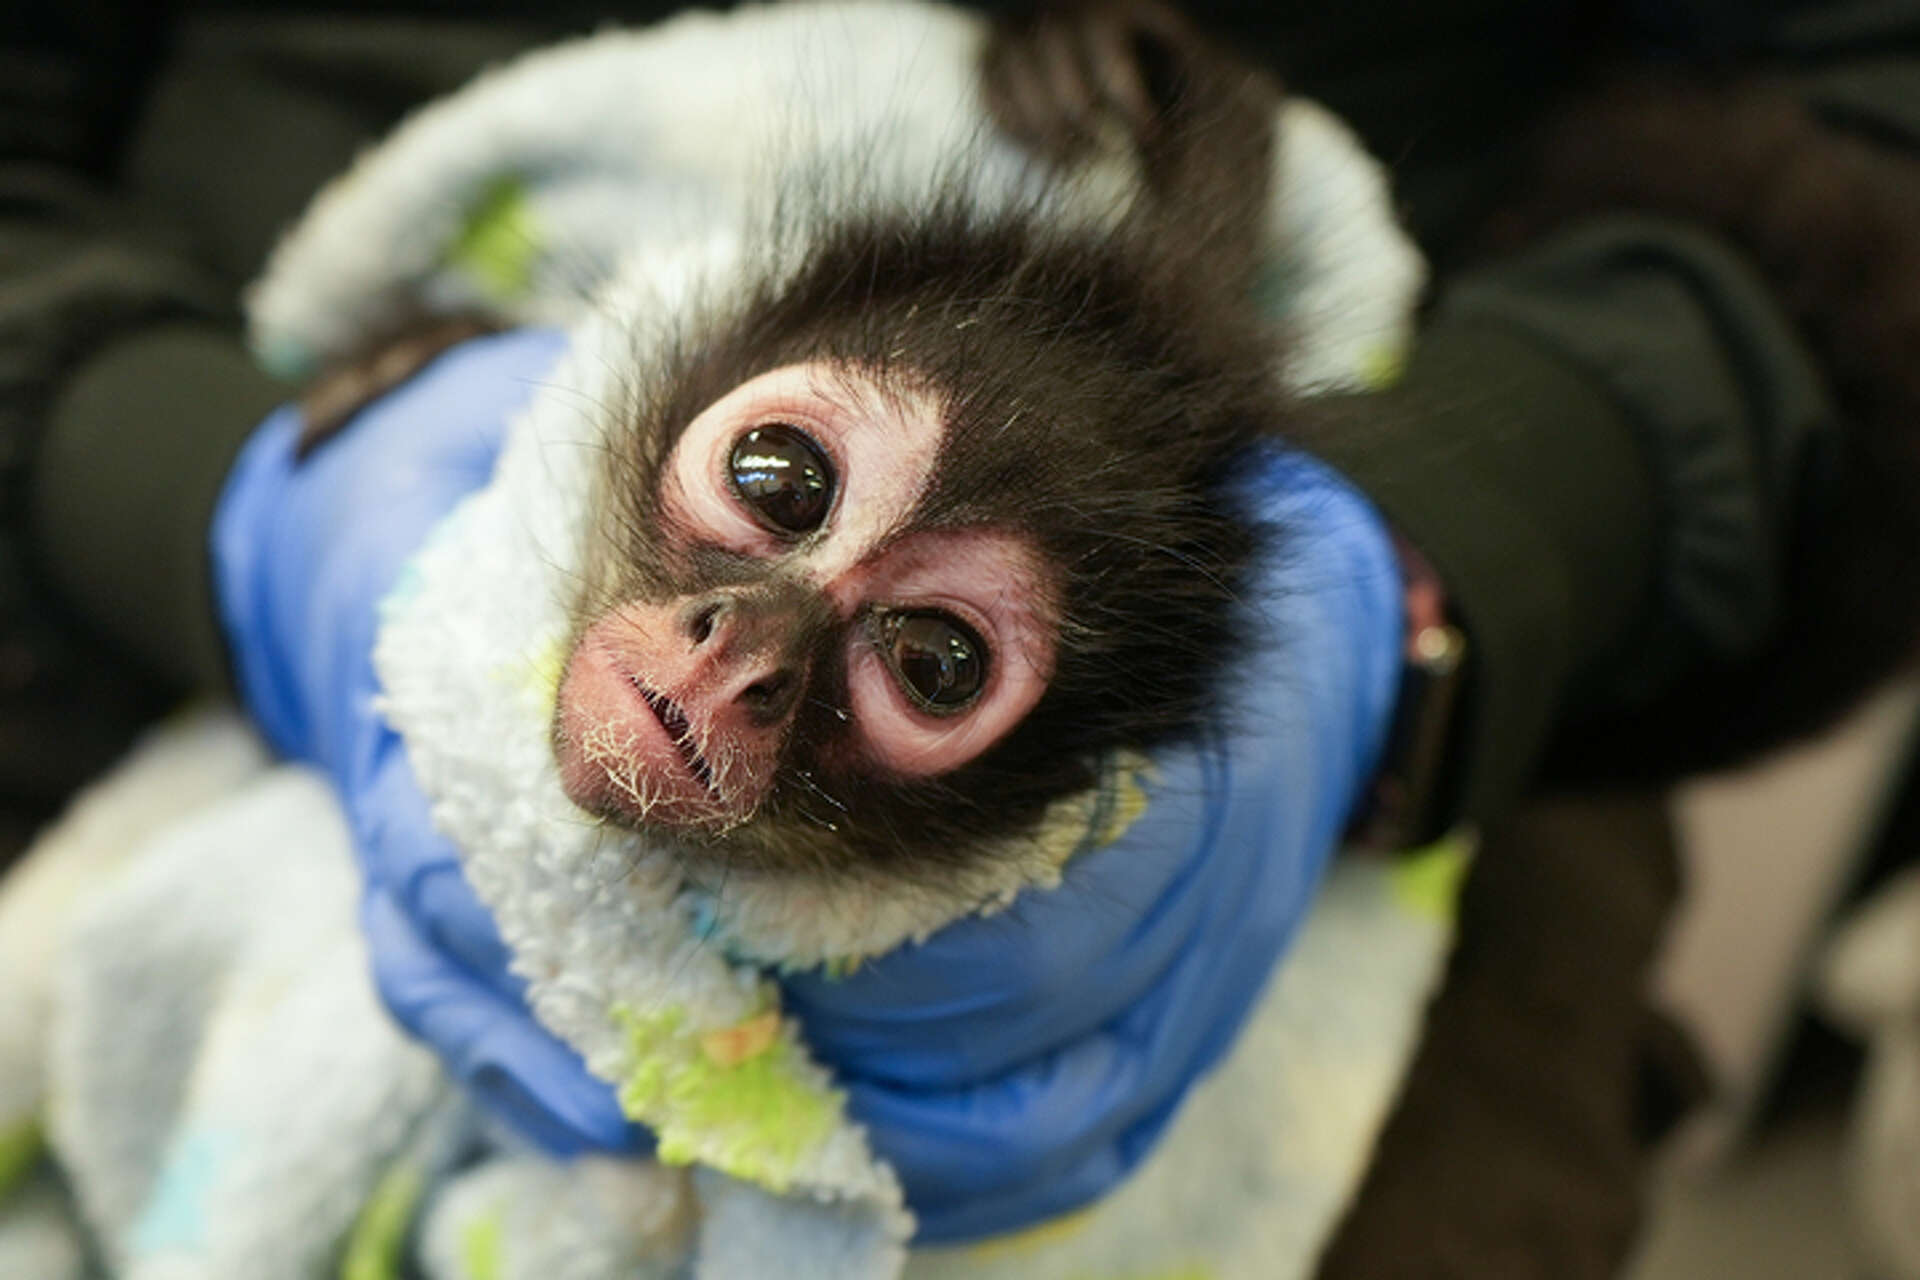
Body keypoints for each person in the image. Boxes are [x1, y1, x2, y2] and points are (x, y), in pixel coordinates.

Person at [6, 1, 1920, 1273]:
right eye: (772, 480)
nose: (744, 662)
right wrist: (198, 482)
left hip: (1470, 628)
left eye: (931, 664)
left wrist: (1445, 578)